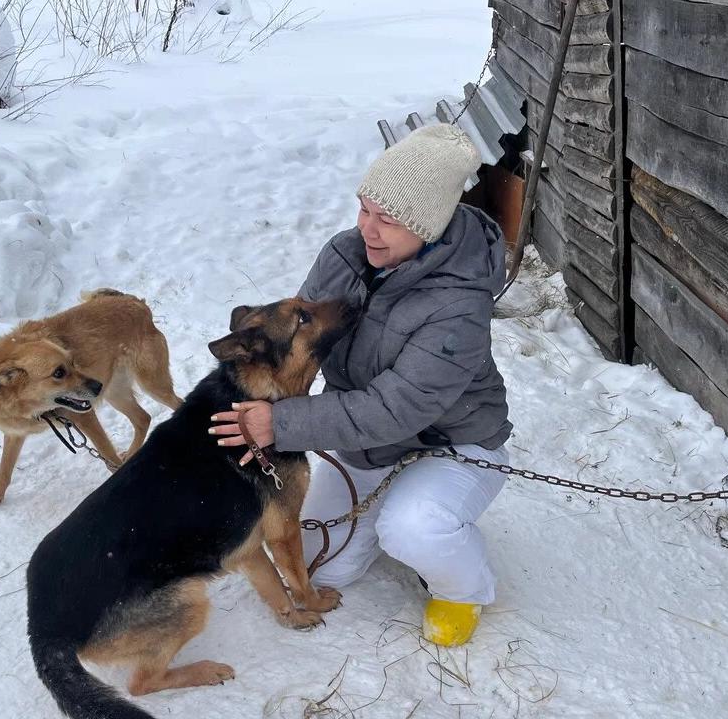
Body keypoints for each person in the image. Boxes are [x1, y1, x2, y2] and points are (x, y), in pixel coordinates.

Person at [211, 123, 511, 647]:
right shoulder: (345, 254)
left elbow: (397, 407)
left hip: (451, 444)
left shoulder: (459, 305)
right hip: (367, 446)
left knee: (413, 528)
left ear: (430, 225)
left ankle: (464, 586)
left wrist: (279, 424)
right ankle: (375, 517)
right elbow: (298, 344)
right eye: (364, 209)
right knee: (320, 568)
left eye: (388, 219)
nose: (368, 229)